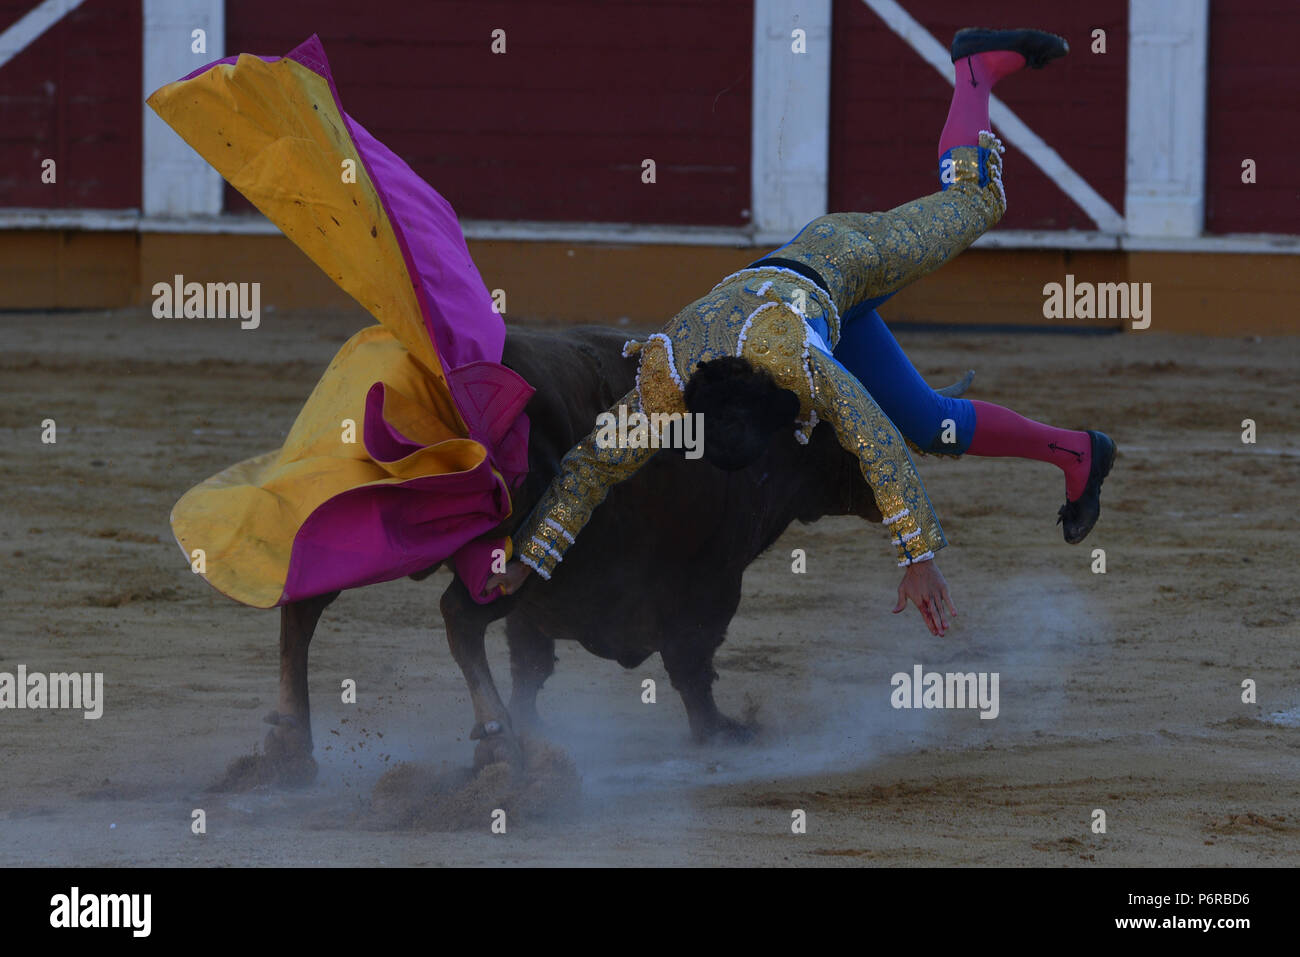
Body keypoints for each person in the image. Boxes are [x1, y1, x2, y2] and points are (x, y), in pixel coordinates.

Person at [486, 28, 1116, 637]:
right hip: (813, 308)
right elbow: (589, 466)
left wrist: (919, 557)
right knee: (929, 425)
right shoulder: (666, 380)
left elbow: (875, 439)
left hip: (845, 257)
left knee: (978, 200)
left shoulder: (794, 361)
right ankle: (1078, 453)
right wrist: (527, 562)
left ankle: (974, 69)